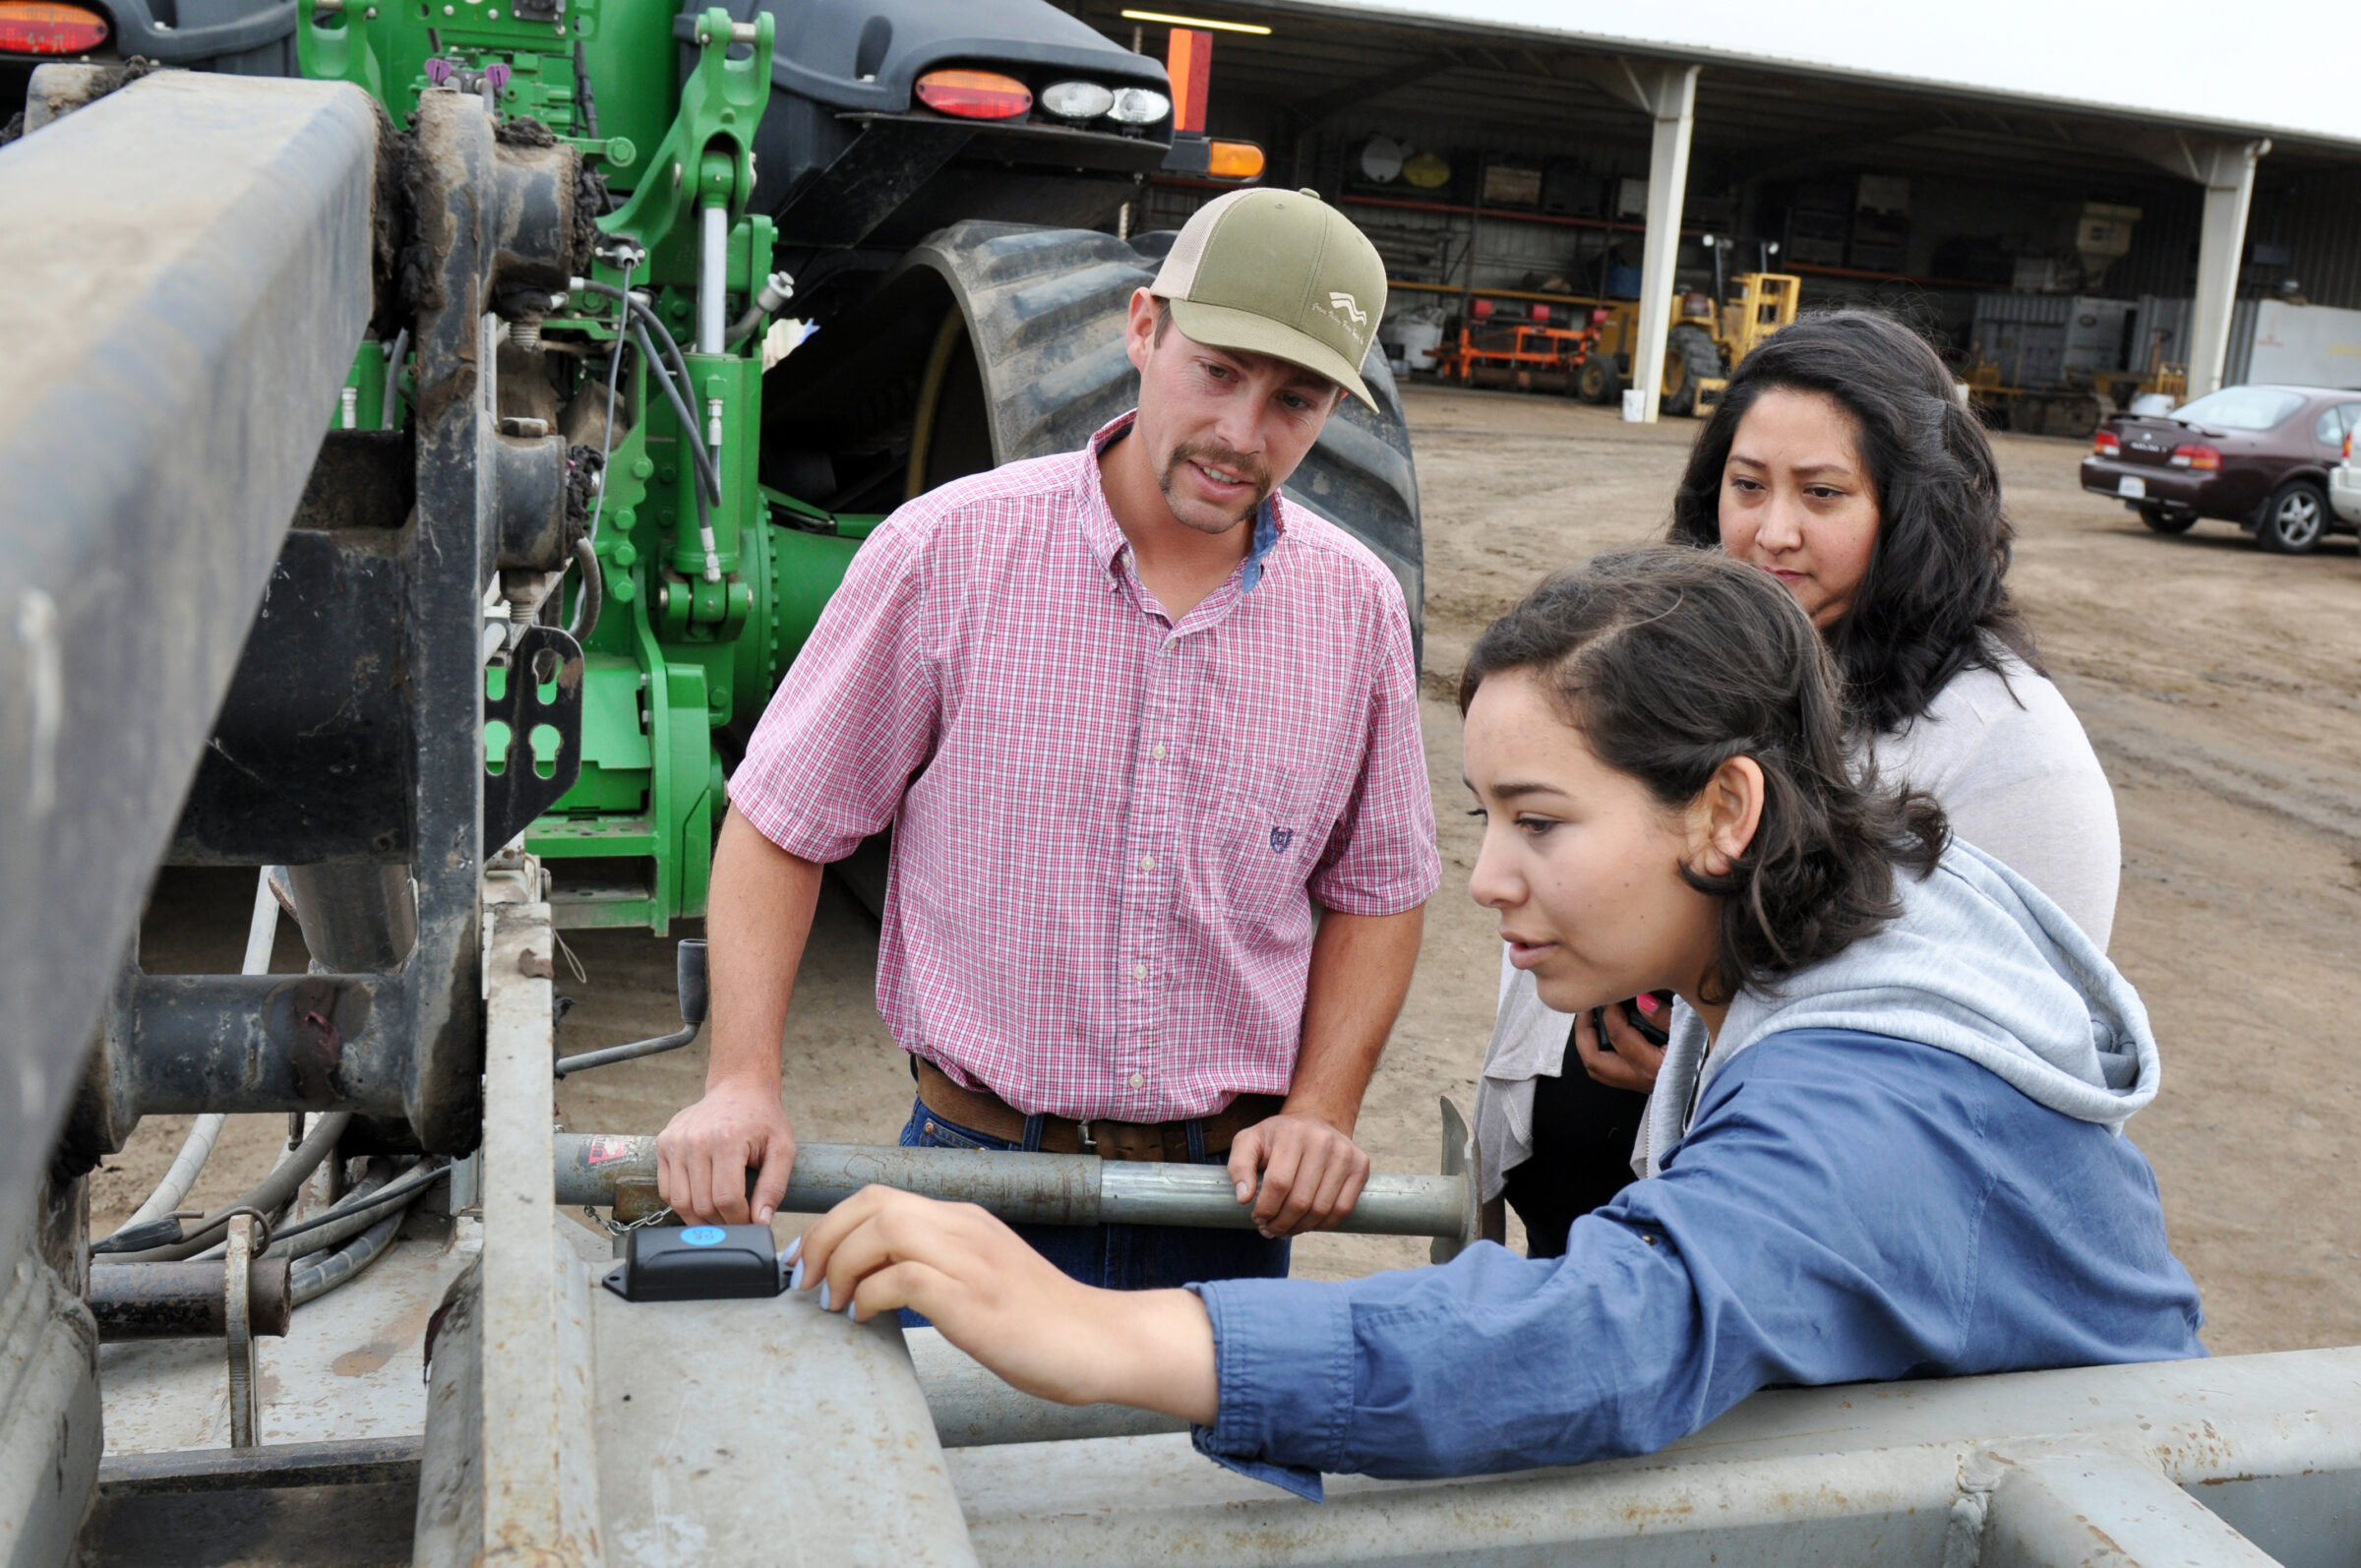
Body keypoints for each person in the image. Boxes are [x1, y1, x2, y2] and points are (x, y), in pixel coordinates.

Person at [783, 548, 2204, 1495]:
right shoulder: (1861, 904)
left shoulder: (1873, 1089)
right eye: (1486, 815)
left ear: (1725, 808)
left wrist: (1093, 1330)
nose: (1486, 878)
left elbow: (1618, 1324)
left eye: (1540, 820)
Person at [654, 186, 1441, 1295]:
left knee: (1186, 1478)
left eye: (1295, 400)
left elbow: (1381, 884)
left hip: (1221, 1210)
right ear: (1141, 327)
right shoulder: (948, 551)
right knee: (949, 1468)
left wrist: (1322, 1108)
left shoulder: (1354, 609)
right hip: (976, 1183)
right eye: (1216, 371)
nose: (1240, 433)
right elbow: (785, 823)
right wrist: (740, 1078)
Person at [1483, 310, 2123, 1257]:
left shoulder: (2013, 751)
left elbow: (2007, 1069)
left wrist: (1703, 1064)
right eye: (1747, 486)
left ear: (1911, 515)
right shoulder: (1667, 663)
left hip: (1780, 1248)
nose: (1771, 532)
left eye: (1822, 494)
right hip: (1585, 1204)